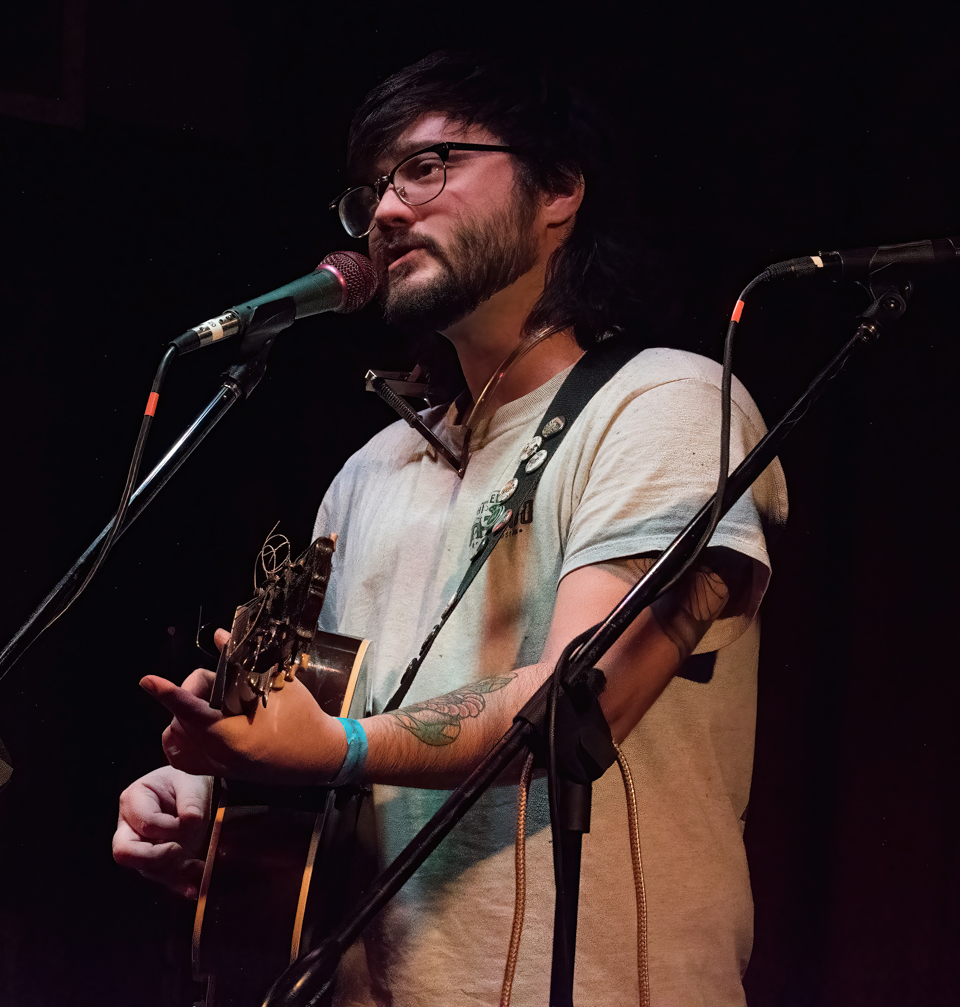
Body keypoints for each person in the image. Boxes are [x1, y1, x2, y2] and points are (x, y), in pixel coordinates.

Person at [113, 50, 787, 1007]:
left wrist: (337, 748)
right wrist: (218, 793)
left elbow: (577, 701)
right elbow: (317, 726)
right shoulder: (368, 474)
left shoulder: (670, 402)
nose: (386, 212)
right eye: (371, 192)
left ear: (558, 189)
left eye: (427, 168)